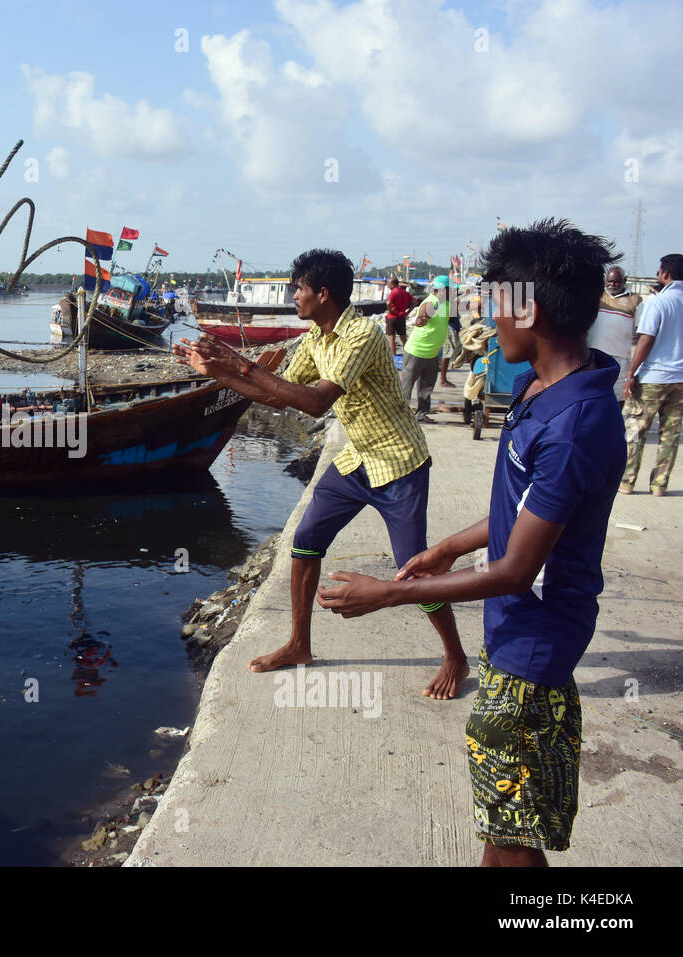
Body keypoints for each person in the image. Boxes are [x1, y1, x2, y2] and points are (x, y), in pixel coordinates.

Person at [317, 219, 624, 866]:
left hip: (531, 655)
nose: (485, 320)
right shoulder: (542, 385)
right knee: (503, 825)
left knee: (513, 843)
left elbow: (516, 569)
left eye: (492, 306)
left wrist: (388, 594)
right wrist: (449, 546)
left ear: (530, 310)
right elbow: (527, 509)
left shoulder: (574, 425)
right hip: (513, 641)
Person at [174, 249, 467, 699]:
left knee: (416, 572)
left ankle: (455, 656)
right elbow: (279, 396)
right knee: (305, 543)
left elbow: (315, 402)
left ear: (323, 293)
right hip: (356, 461)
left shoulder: (361, 335)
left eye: (299, 289)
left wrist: (241, 364)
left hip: (400, 464)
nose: (294, 296)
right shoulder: (316, 339)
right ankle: (298, 644)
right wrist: (218, 372)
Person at [620, 254, 683, 496]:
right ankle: (659, 485)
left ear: (665, 274)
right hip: (680, 379)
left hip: (653, 378)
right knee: (670, 434)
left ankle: (627, 481)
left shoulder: (659, 302)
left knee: (635, 429)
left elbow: (646, 340)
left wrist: (630, 374)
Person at [401, 275, 451, 422]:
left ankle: (421, 415)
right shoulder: (431, 302)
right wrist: (421, 319)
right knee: (407, 385)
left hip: (433, 352)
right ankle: (401, 415)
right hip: (417, 351)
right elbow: (423, 314)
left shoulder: (447, 303)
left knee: (426, 386)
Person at [589, 265, 642, 402]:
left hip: (621, 358)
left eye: (616, 281)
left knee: (618, 398)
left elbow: (639, 331)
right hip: (596, 354)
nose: (612, 284)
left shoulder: (635, 300)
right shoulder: (597, 296)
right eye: (609, 281)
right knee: (594, 394)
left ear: (624, 280)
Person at [385, 277, 413, 355]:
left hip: (392, 317)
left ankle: (393, 355)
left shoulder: (393, 292)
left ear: (393, 284)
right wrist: (408, 312)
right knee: (403, 337)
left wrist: (390, 311)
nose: (388, 286)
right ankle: (408, 353)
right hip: (401, 317)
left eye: (389, 284)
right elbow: (414, 301)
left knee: (391, 338)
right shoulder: (404, 292)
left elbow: (388, 303)